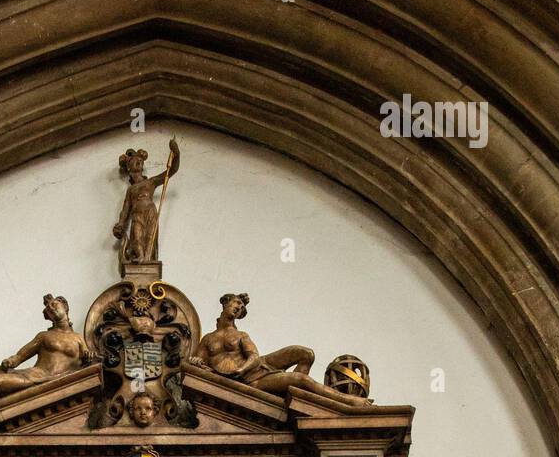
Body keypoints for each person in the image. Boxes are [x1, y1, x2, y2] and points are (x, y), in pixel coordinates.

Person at [191, 293, 372, 409]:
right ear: (225, 303)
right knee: (299, 379)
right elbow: (195, 363)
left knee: (305, 354)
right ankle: (349, 401)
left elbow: (253, 356)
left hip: (254, 368)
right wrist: (197, 363)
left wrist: (241, 369)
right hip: (251, 382)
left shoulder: (240, 335)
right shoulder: (208, 339)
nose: (239, 307)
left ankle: (295, 400)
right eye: (236, 303)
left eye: (241, 307)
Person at [0, 294, 89, 403]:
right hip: (26, 373)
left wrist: (89, 357)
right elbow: (20, 356)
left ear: (65, 307)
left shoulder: (78, 339)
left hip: (41, 380)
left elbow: (89, 360)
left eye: (54, 304)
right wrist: (10, 361)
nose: (51, 308)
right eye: (49, 309)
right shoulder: (44, 336)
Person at [112, 139, 180, 268]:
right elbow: (125, 209)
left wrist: (176, 153)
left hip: (150, 211)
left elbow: (172, 170)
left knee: (150, 239)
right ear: (128, 167)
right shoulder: (131, 189)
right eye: (134, 161)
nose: (139, 162)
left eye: (141, 161)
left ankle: (147, 261)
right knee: (136, 239)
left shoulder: (150, 182)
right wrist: (120, 224)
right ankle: (140, 258)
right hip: (137, 215)